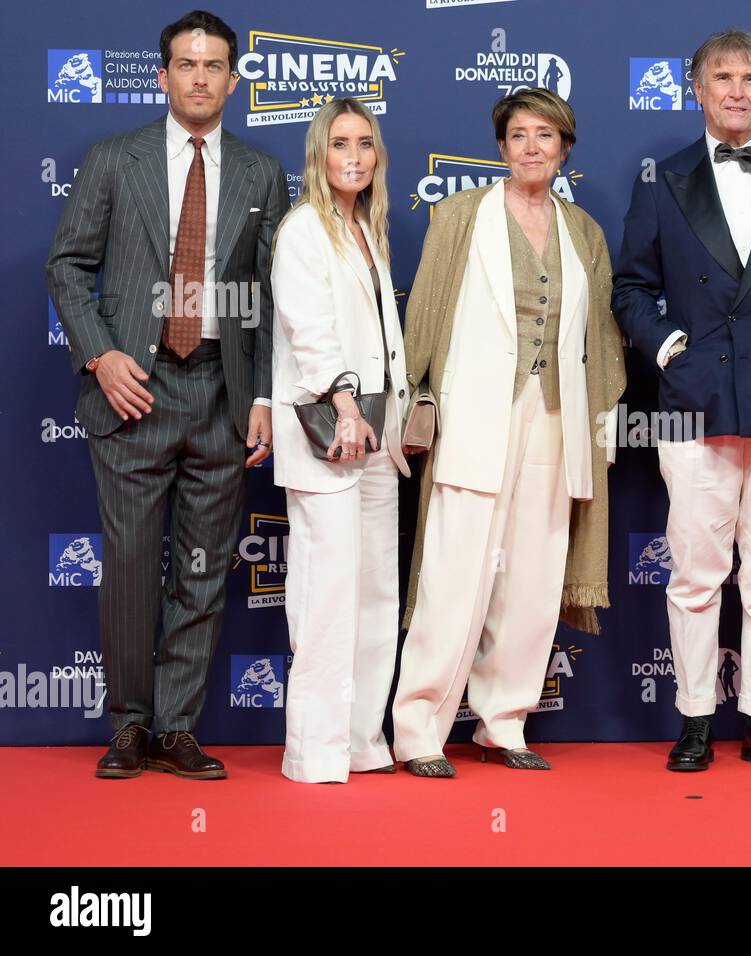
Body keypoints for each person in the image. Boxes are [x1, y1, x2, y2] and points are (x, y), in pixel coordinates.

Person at [46, 11, 288, 780]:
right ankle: (130, 726)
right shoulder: (114, 159)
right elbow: (66, 266)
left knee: (203, 567)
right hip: (133, 394)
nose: (199, 77)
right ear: (162, 75)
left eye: (214, 65)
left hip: (221, 391)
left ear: (234, 79)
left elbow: (278, 297)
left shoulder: (260, 173)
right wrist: (102, 356)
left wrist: (266, 397)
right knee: (128, 567)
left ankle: (178, 728)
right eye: (186, 64)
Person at [613, 30, 751, 772]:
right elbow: (632, 287)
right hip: (691, 399)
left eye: (749, 78)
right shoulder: (662, 179)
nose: (736, 90)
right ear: (697, 89)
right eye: (722, 77)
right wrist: (671, 348)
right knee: (696, 570)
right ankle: (695, 718)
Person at [392, 89, 625, 777]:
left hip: (558, 417)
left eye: (545, 135)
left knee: (534, 573)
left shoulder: (583, 230)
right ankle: (419, 730)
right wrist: (415, 398)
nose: (531, 147)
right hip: (475, 414)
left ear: (565, 150)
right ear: (501, 148)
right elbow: (428, 312)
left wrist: (601, 415)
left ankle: (505, 720)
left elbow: (602, 336)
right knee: (453, 576)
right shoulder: (460, 215)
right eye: (519, 135)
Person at [270, 99, 410, 783]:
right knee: (327, 593)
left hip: (377, 435)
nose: (353, 156)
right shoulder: (303, 230)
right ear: (318, 155)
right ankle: (316, 750)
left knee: (376, 591)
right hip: (330, 431)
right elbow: (310, 332)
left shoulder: (365, 228)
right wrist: (347, 408)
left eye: (364, 143)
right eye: (338, 144)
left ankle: (361, 740)